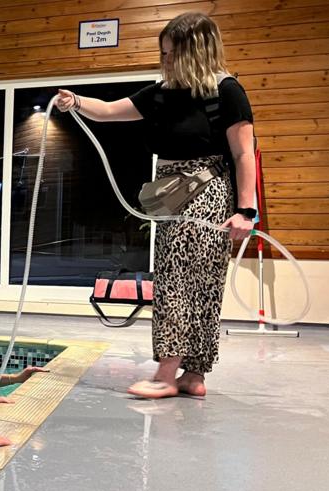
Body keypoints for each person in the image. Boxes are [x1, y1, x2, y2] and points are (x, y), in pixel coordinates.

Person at [55, 12, 255, 399]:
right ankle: (193, 377)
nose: (164, 62)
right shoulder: (163, 92)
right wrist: (76, 101)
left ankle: (166, 375)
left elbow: (244, 153)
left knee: (183, 281)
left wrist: (246, 210)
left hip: (207, 192)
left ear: (194, 52)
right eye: (162, 54)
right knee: (193, 283)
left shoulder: (225, 91)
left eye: (169, 55)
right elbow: (110, 111)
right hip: (172, 196)